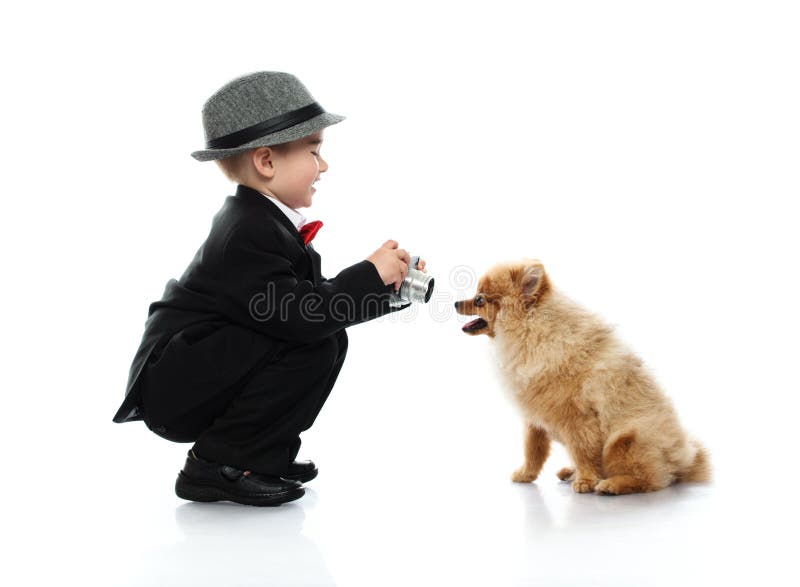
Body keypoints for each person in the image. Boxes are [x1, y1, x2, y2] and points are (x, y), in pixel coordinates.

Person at [113, 71, 423, 506]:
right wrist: (368, 274)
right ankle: (217, 465)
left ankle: (260, 452)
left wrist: (388, 290)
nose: (324, 166)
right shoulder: (247, 232)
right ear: (266, 162)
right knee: (311, 340)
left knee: (325, 335)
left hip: (201, 369)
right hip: (177, 384)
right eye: (315, 151)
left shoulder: (265, 223)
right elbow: (300, 316)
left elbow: (313, 309)